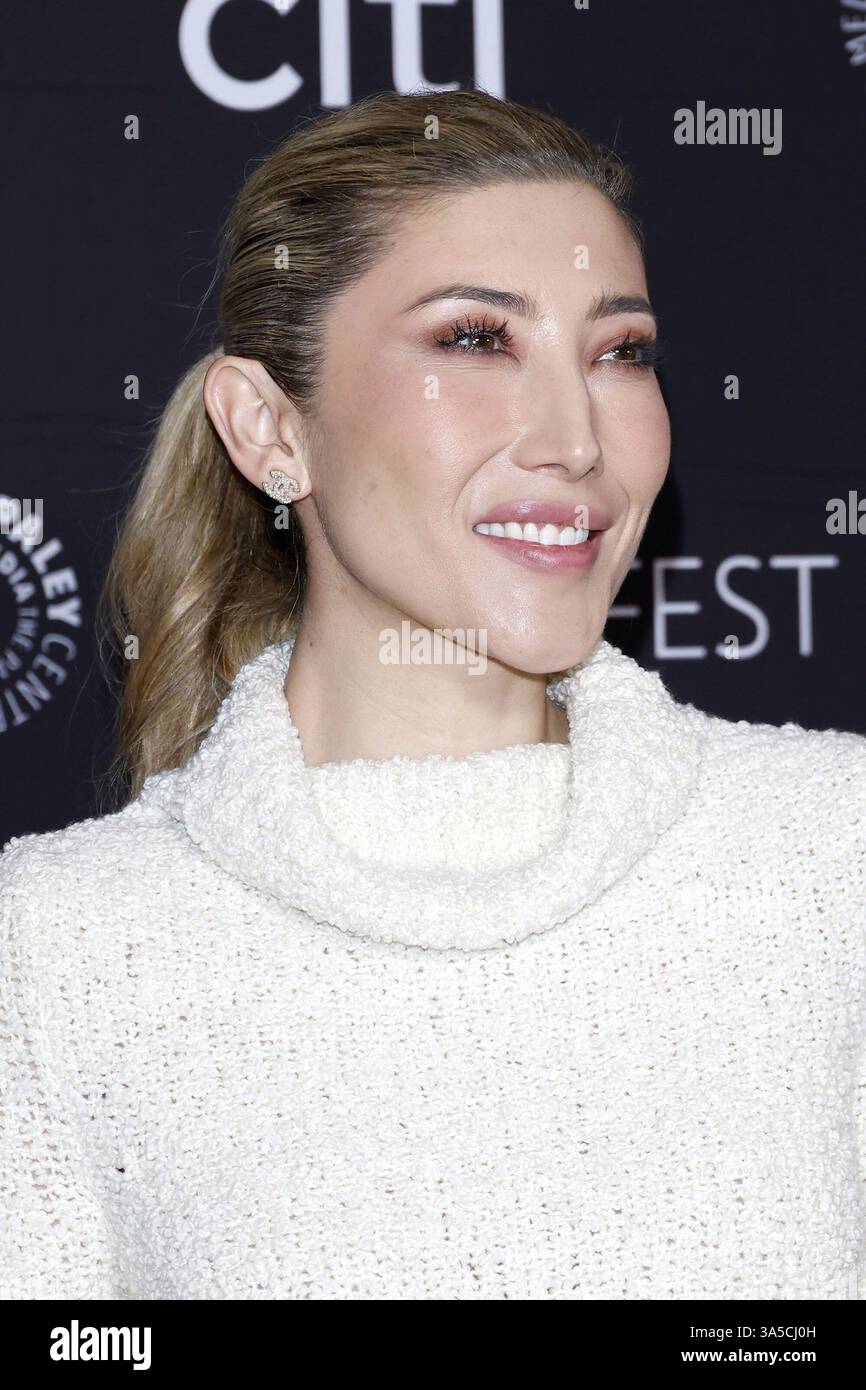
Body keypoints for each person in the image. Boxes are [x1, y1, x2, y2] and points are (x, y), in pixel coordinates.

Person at [2, 86, 864, 1302]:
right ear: (265, 429)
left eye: (619, 352)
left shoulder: (832, 855)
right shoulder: (55, 950)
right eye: (474, 340)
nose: (573, 437)